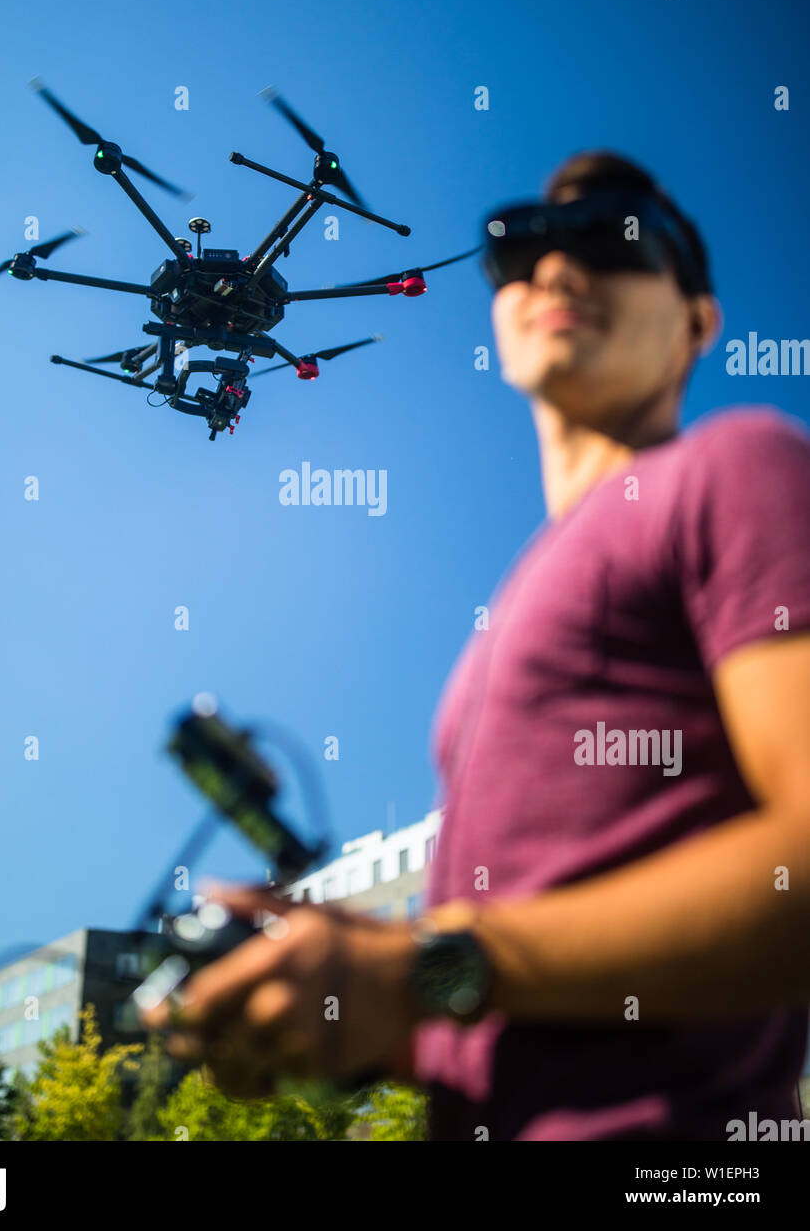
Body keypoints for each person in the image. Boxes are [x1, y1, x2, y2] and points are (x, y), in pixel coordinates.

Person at [143, 151, 810, 1141]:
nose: (554, 269)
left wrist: (426, 969)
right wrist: (330, 1004)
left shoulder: (734, 466)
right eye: (516, 247)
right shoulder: (502, 623)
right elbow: (498, 1011)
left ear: (698, 321)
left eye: (616, 238)